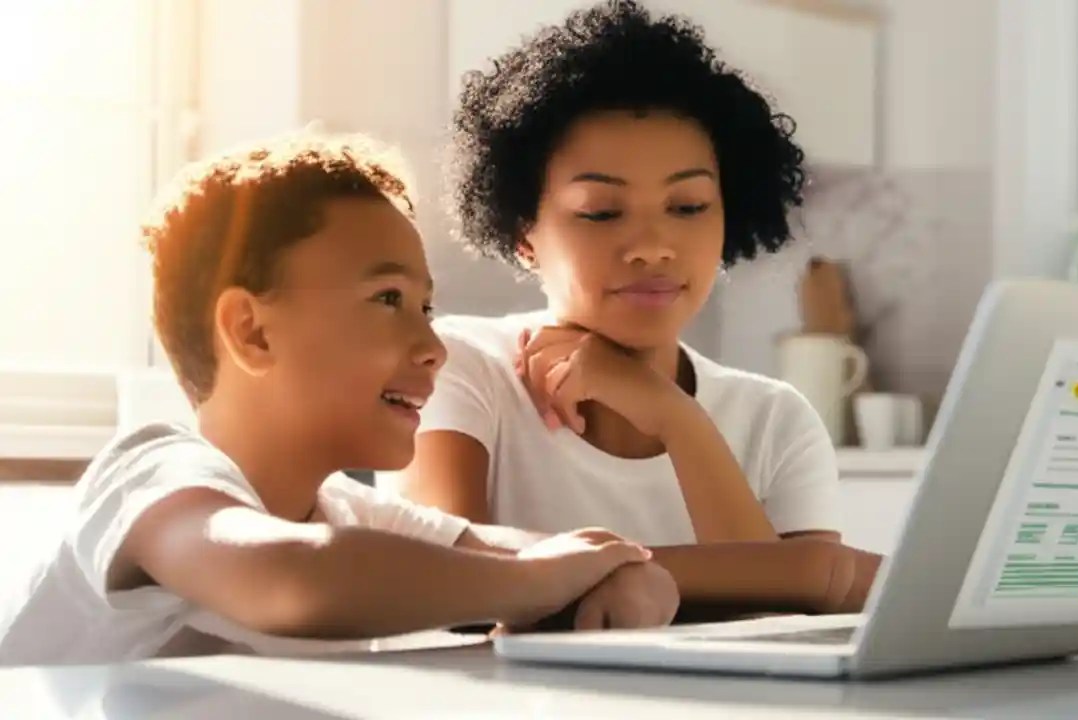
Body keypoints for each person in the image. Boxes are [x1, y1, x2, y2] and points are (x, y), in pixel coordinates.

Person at [0, 132, 677, 667]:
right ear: (252, 331)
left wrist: (625, 572)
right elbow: (297, 580)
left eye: (426, 305)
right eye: (387, 300)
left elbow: (546, 553)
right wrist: (540, 583)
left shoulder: (351, 515)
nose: (432, 344)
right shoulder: (151, 478)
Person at [400, 0, 882, 619]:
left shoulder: (775, 419)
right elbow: (451, 587)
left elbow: (785, 625)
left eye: (688, 207)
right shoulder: (462, 366)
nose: (654, 247)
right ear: (525, 234)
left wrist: (676, 419)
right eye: (601, 212)